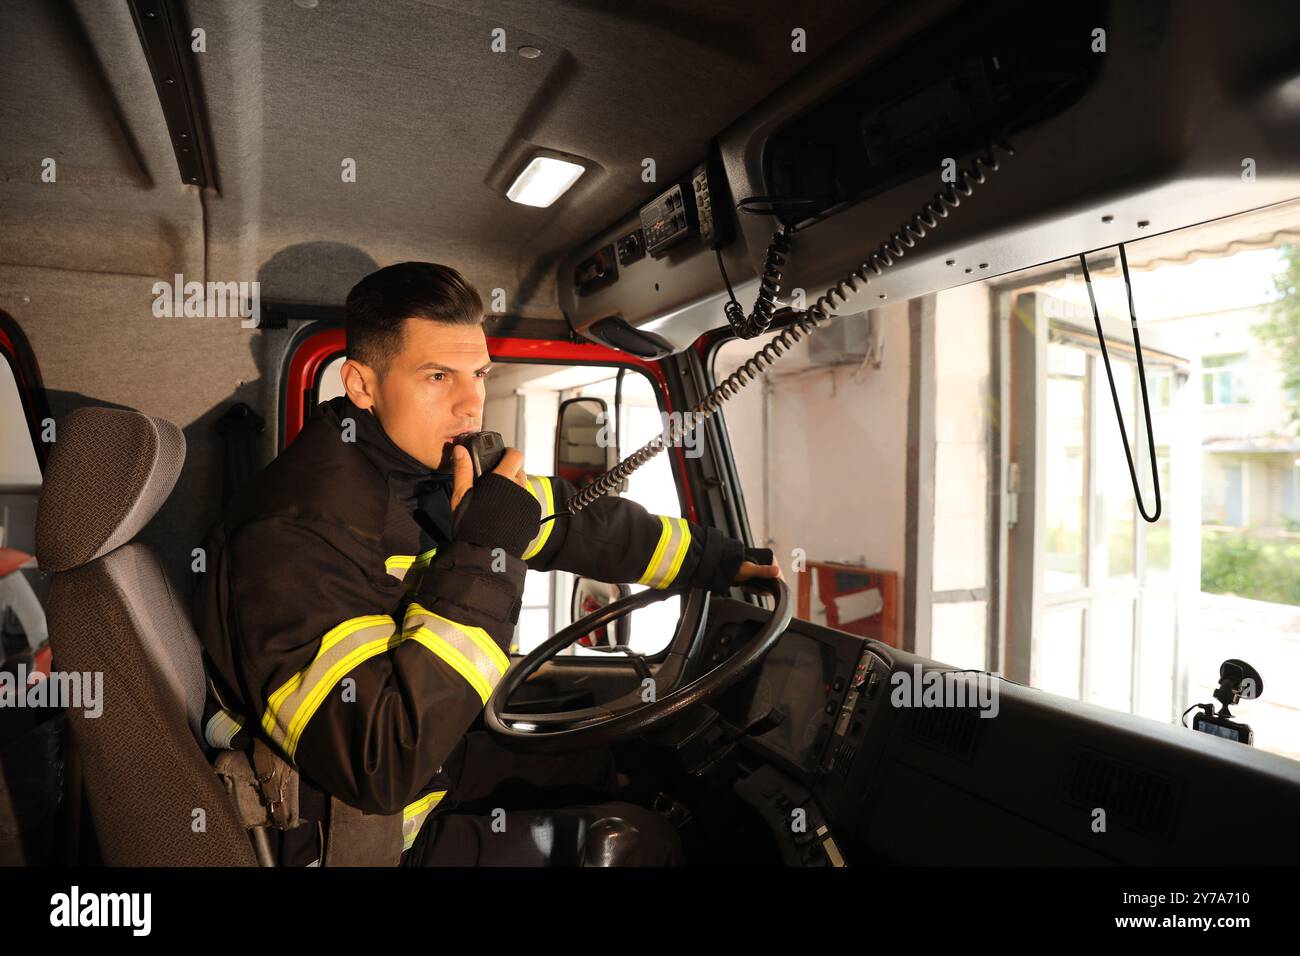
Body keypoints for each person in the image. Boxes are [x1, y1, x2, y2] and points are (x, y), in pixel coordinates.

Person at [192, 261, 781, 866]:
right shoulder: (294, 532)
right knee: (639, 845)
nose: (472, 403)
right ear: (362, 385)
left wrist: (719, 559)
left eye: (478, 373)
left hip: (427, 770)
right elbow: (379, 759)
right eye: (438, 375)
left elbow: (574, 522)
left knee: (627, 768)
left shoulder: (417, 470)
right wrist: (484, 553)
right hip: (350, 834)